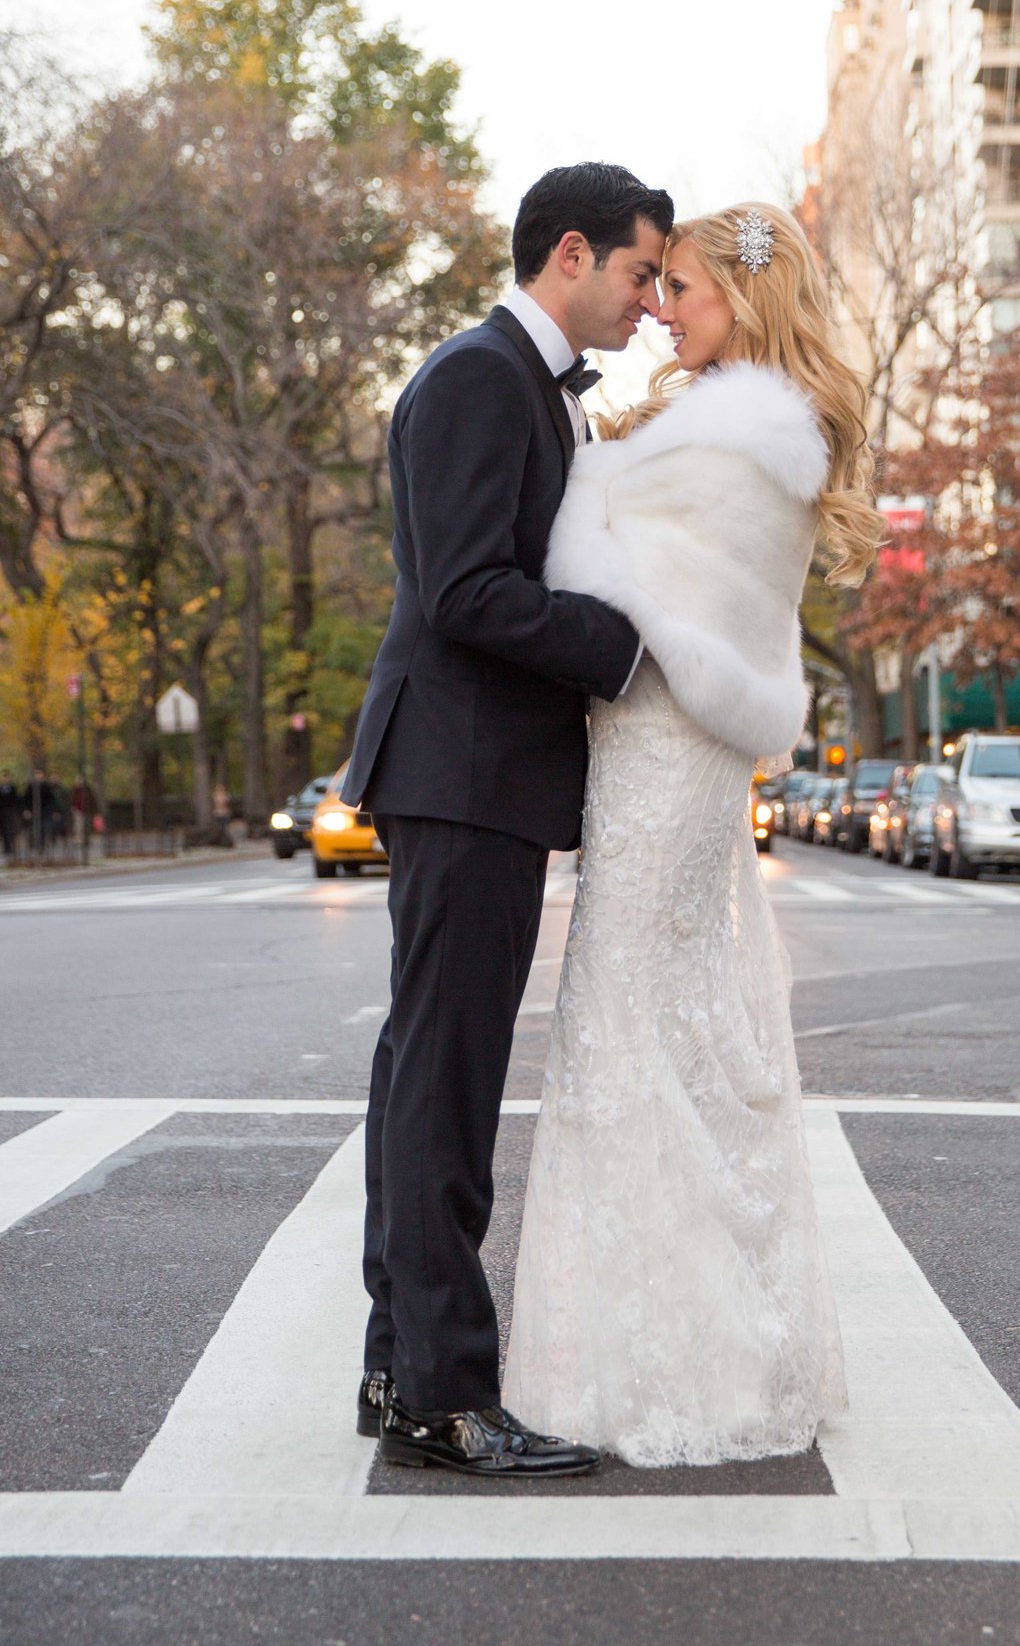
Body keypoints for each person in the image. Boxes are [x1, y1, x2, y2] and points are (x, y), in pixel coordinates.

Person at [504, 204, 880, 1466]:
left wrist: (591, 472)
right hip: (668, 753)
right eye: (654, 281)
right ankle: (691, 1334)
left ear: (740, 294)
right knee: (663, 1023)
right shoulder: (749, 421)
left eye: (681, 285)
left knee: (631, 1022)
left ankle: (662, 1359)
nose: (661, 305)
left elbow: (590, 567)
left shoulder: (743, 436)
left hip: (667, 748)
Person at [344, 162, 674, 1478]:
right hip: (461, 769)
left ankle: (399, 1365)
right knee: (444, 1089)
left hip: (466, 773)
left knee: (425, 1076)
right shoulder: (484, 379)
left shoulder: (512, 383)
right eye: (642, 272)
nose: (651, 300)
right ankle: (444, 1395)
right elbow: (468, 591)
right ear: (574, 253)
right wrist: (632, 639)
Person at [0, 773, 20, 859]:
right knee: (4, 831)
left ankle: (12, 848)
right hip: (2, 813)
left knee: (11, 830)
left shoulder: (13, 788)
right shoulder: (0, 788)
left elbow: (17, 800)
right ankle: (6, 848)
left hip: (11, 813)